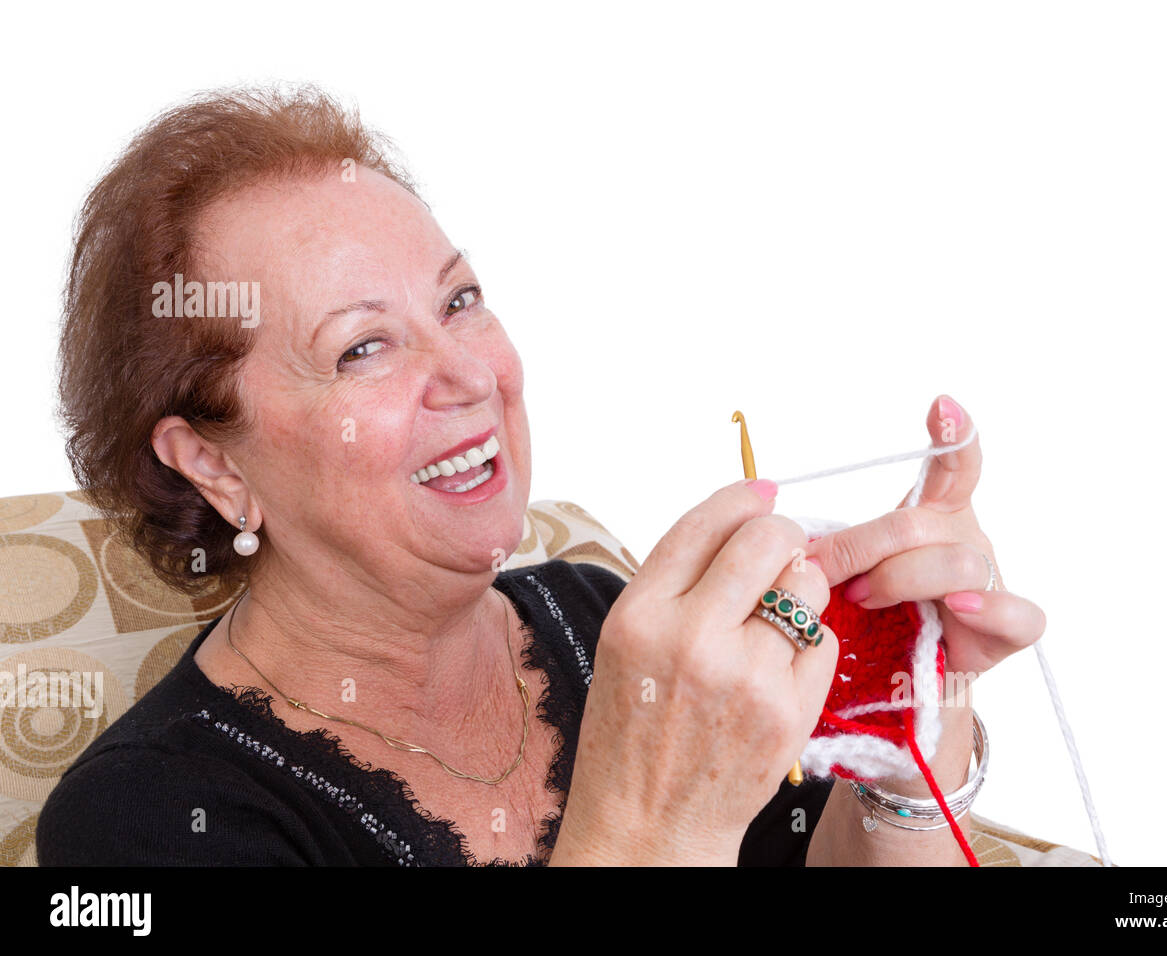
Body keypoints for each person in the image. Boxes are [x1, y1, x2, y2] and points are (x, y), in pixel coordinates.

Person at [36, 85, 1046, 866]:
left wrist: (908, 710)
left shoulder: (594, 615)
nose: (472, 373)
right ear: (213, 462)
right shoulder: (145, 819)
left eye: (460, 298)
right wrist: (643, 821)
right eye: (362, 349)